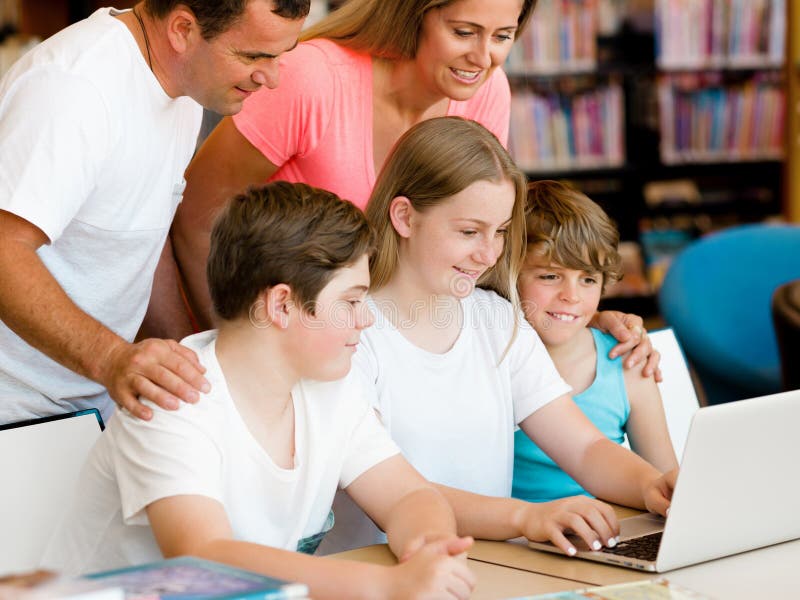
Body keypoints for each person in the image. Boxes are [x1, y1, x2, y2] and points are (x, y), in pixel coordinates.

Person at [43, 183, 476, 600]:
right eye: (350, 301)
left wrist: (431, 550)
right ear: (282, 305)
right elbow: (203, 557)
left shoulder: (330, 387)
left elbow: (408, 496)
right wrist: (385, 587)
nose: (366, 319)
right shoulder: (173, 396)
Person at [171, 0, 663, 366]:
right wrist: (230, 350)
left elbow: (476, 245)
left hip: (388, 341)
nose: (483, 57)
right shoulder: (312, 78)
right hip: (285, 333)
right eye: (464, 31)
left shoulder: (486, 93)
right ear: (414, 15)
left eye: (502, 36)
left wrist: (576, 324)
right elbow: (195, 216)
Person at [330, 116, 676, 556]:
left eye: (500, 232)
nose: (489, 253)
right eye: (470, 231)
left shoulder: (498, 321)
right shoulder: (350, 335)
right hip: (388, 575)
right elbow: (397, 491)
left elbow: (585, 448)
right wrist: (525, 517)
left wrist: (652, 485)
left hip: (489, 567)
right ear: (404, 217)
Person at [0, 0, 309, 424]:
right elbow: (3, 249)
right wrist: (110, 358)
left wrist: (188, 361)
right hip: (16, 408)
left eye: (279, 56)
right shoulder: (73, 88)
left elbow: (141, 236)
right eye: (254, 56)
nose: (270, 78)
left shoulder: (184, 85)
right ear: (182, 29)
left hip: (92, 402)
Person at [513, 180, 679, 504]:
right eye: (549, 276)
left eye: (588, 279)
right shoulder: (489, 360)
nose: (571, 296)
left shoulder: (626, 361)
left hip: (614, 533)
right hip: (516, 541)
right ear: (508, 273)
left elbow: (666, 481)